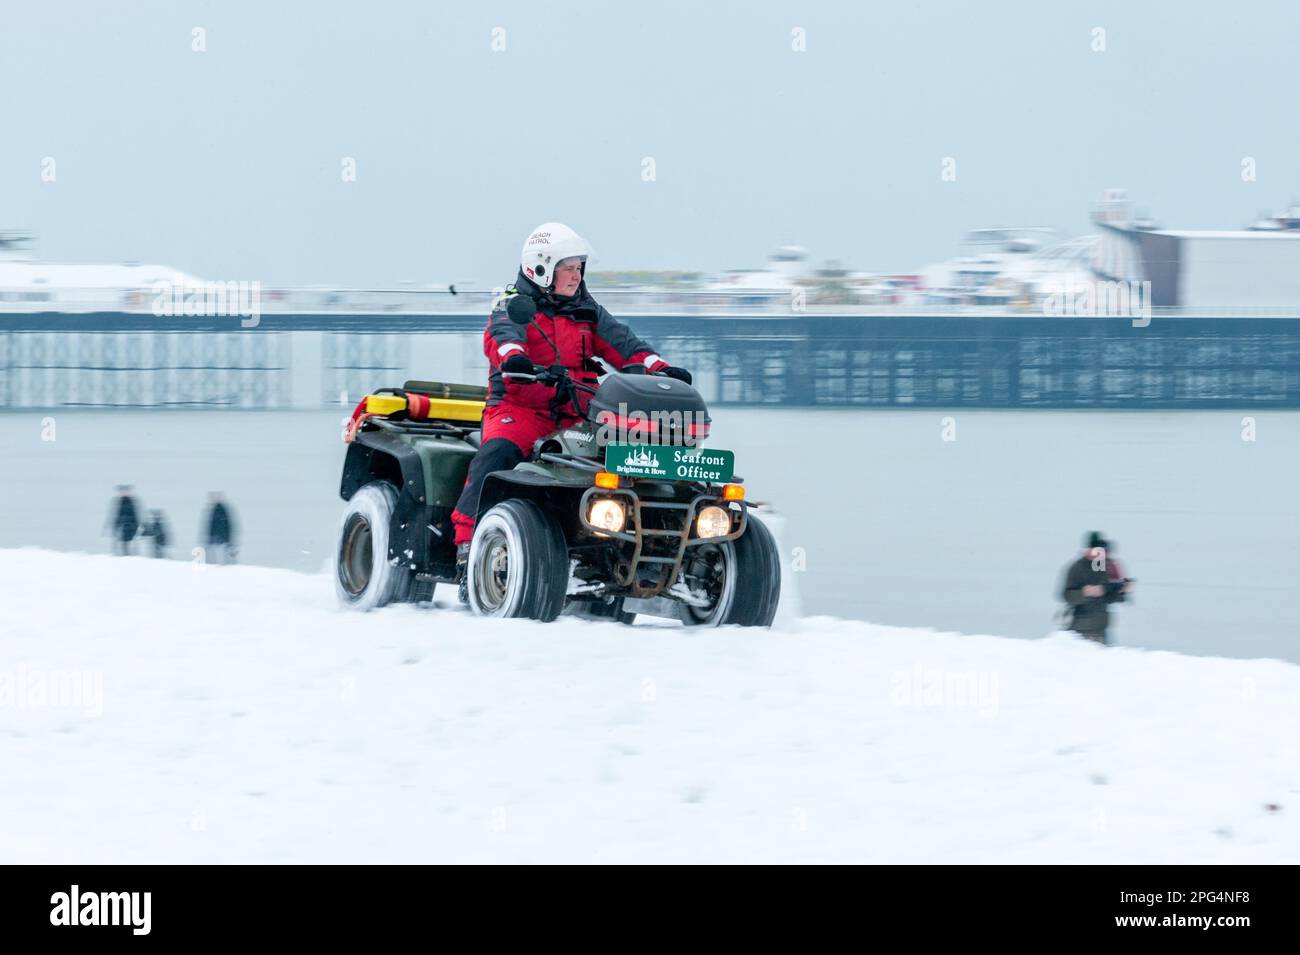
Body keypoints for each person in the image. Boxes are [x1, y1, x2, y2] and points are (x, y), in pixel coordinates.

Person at [449, 222, 692, 593]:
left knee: (629, 459)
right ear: (542, 267)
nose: (577, 275)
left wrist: (659, 367)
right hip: (520, 408)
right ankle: (468, 545)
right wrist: (515, 359)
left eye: (580, 267)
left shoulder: (587, 310)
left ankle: (646, 539)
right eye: (569, 267)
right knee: (496, 454)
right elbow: (502, 338)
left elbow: (624, 344)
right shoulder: (512, 304)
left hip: (579, 413)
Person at [1060, 531, 1133, 645]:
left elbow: (1107, 597)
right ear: (1088, 549)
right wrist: (1084, 593)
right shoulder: (1076, 568)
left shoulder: (1101, 567)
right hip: (1080, 632)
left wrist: (1122, 592)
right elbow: (1066, 596)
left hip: (1101, 630)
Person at [202, 493, 238, 564]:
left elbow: (215, 526)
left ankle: (220, 565)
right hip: (220, 537)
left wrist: (211, 538)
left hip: (220, 537)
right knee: (222, 553)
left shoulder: (219, 510)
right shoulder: (218, 510)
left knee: (218, 553)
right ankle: (226, 564)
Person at [105, 485, 141, 556]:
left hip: (131, 525)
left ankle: (131, 556)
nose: (124, 493)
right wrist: (115, 525)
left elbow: (135, 514)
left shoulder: (132, 501)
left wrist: (136, 525)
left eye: (126, 491)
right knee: (123, 542)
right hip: (123, 526)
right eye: (122, 491)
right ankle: (124, 555)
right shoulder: (119, 501)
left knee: (130, 542)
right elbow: (117, 514)